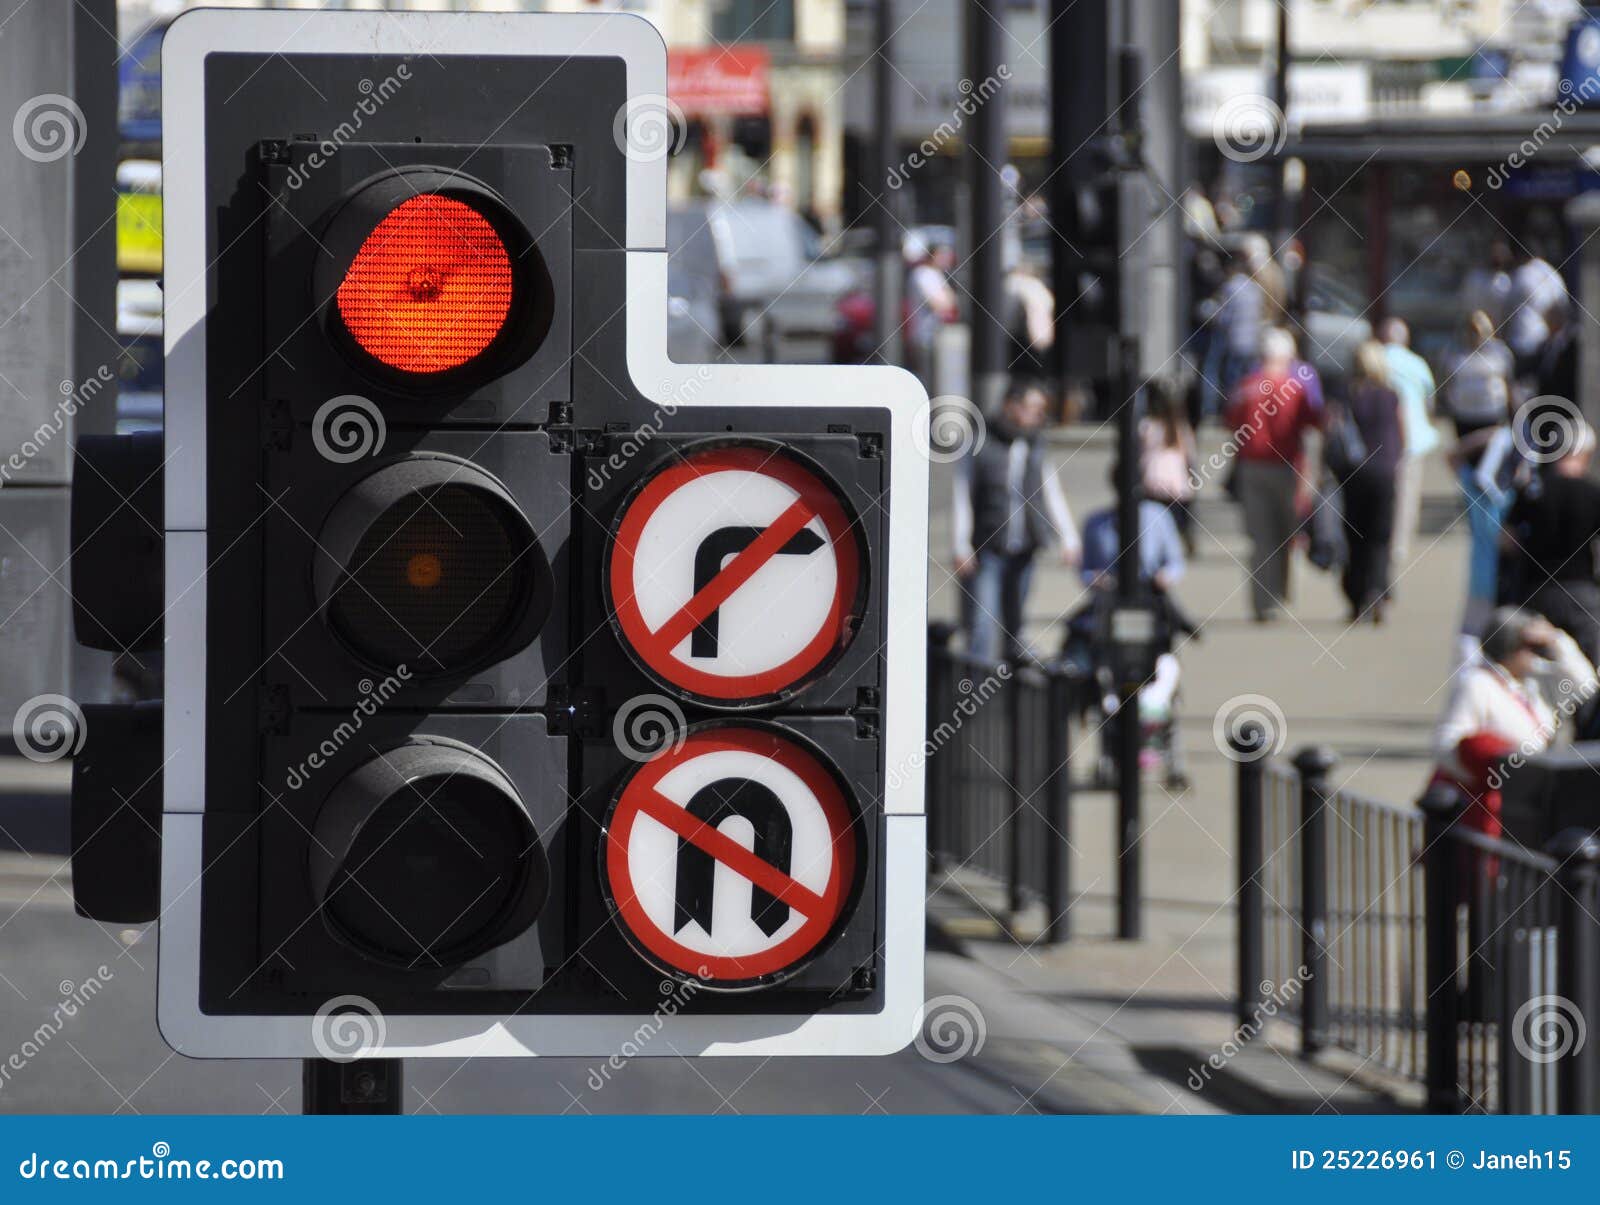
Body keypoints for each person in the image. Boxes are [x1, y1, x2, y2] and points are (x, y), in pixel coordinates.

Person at [1432, 608, 1596, 838]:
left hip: (1534, 800)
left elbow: (1586, 684)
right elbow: (1446, 744)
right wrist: (1488, 777)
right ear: (1511, 649)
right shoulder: (1477, 684)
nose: (1536, 656)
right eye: (1529, 648)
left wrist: (1555, 639)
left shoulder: (1533, 683)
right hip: (1494, 806)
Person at [953, 381, 1080, 662]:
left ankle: (1010, 687)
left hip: (1025, 547)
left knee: (1016, 626)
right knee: (983, 623)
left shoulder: (1036, 445)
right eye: (1031, 408)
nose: (1037, 416)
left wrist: (1069, 537)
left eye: (1040, 410)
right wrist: (961, 544)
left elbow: (1052, 491)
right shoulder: (980, 443)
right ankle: (975, 686)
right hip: (989, 546)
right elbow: (963, 492)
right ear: (1010, 406)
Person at [1225, 327, 1321, 622]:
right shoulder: (1295, 388)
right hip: (1287, 469)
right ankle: (1280, 593)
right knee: (1287, 535)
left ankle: (1261, 602)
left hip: (1251, 468)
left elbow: (1230, 422)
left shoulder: (1246, 385)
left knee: (1260, 538)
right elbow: (1314, 422)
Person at [1444, 310, 1516, 653]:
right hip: (1468, 432)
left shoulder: (1500, 356)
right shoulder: (1456, 356)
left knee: (1494, 510)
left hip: (1492, 433)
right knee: (1479, 517)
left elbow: (1509, 395)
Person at [1502, 422, 1600, 664]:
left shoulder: (1531, 491)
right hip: (1581, 592)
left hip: (1536, 590)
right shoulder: (1592, 492)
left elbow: (1506, 540)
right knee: (1589, 668)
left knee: (1537, 664)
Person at [1329, 341, 1405, 623]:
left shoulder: (1346, 395)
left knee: (1355, 537)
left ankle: (1356, 599)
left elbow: (1332, 431)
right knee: (1381, 538)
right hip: (1385, 472)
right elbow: (1402, 432)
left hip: (1354, 474)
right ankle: (1377, 592)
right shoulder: (1391, 395)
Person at [1378, 317, 1439, 588]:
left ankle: (1383, 538)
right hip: (1413, 440)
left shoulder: (1376, 361)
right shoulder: (1417, 363)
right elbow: (1430, 402)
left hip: (1381, 441)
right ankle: (1398, 545)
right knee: (1407, 496)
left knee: (1385, 496)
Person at [1201, 251, 1265, 417]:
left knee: (1232, 381)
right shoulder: (1254, 288)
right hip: (1252, 341)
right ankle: (1249, 411)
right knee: (1249, 379)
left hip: (1235, 341)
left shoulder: (1230, 287)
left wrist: (1209, 314)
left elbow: (1224, 317)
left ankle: (1230, 412)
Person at [1138, 381, 1199, 555]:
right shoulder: (1181, 428)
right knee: (1176, 521)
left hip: (1154, 480)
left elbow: (1140, 454)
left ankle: (1160, 547)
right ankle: (1182, 542)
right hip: (1176, 483)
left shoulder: (1147, 426)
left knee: (1153, 520)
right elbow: (1190, 455)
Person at [1505, 243, 1569, 381]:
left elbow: (1506, 304)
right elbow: (1562, 306)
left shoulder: (1523, 273)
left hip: (1524, 340)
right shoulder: (1553, 275)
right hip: (1544, 341)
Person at [904, 233, 958, 383]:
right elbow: (940, 303)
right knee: (929, 379)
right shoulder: (922, 274)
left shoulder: (937, 275)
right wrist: (948, 301)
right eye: (942, 255)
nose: (947, 259)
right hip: (925, 336)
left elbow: (951, 302)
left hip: (939, 336)